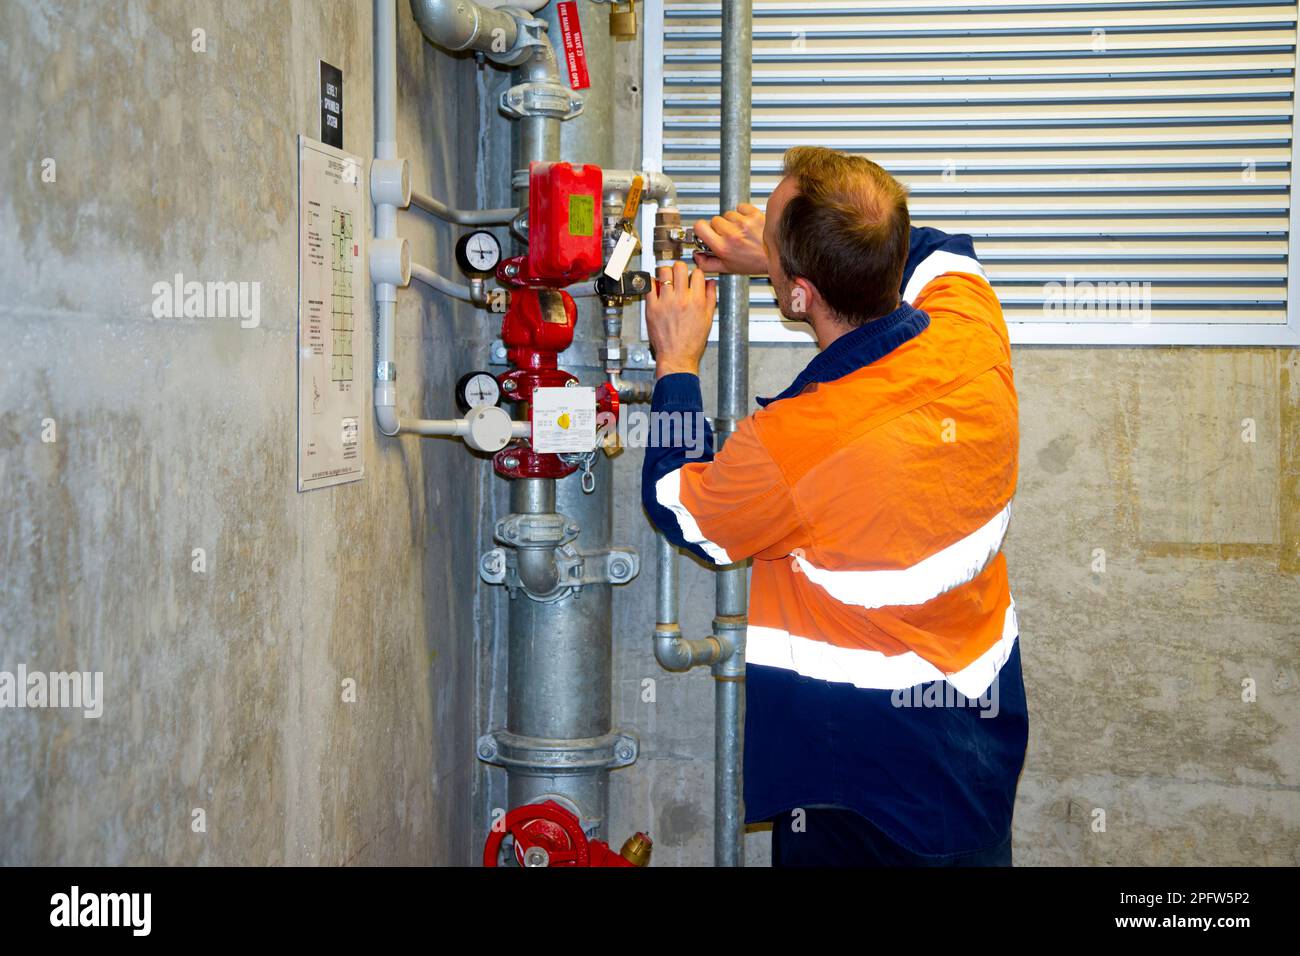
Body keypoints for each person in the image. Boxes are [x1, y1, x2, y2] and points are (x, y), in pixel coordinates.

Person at [640, 146, 1028, 867]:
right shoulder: (970, 337)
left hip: (862, 789)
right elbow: (942, 252)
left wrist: (677, 366)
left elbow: (680, 507)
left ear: (801, 294)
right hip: (977, 751)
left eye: (772, 230)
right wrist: (785, 259)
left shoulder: (798, 445)